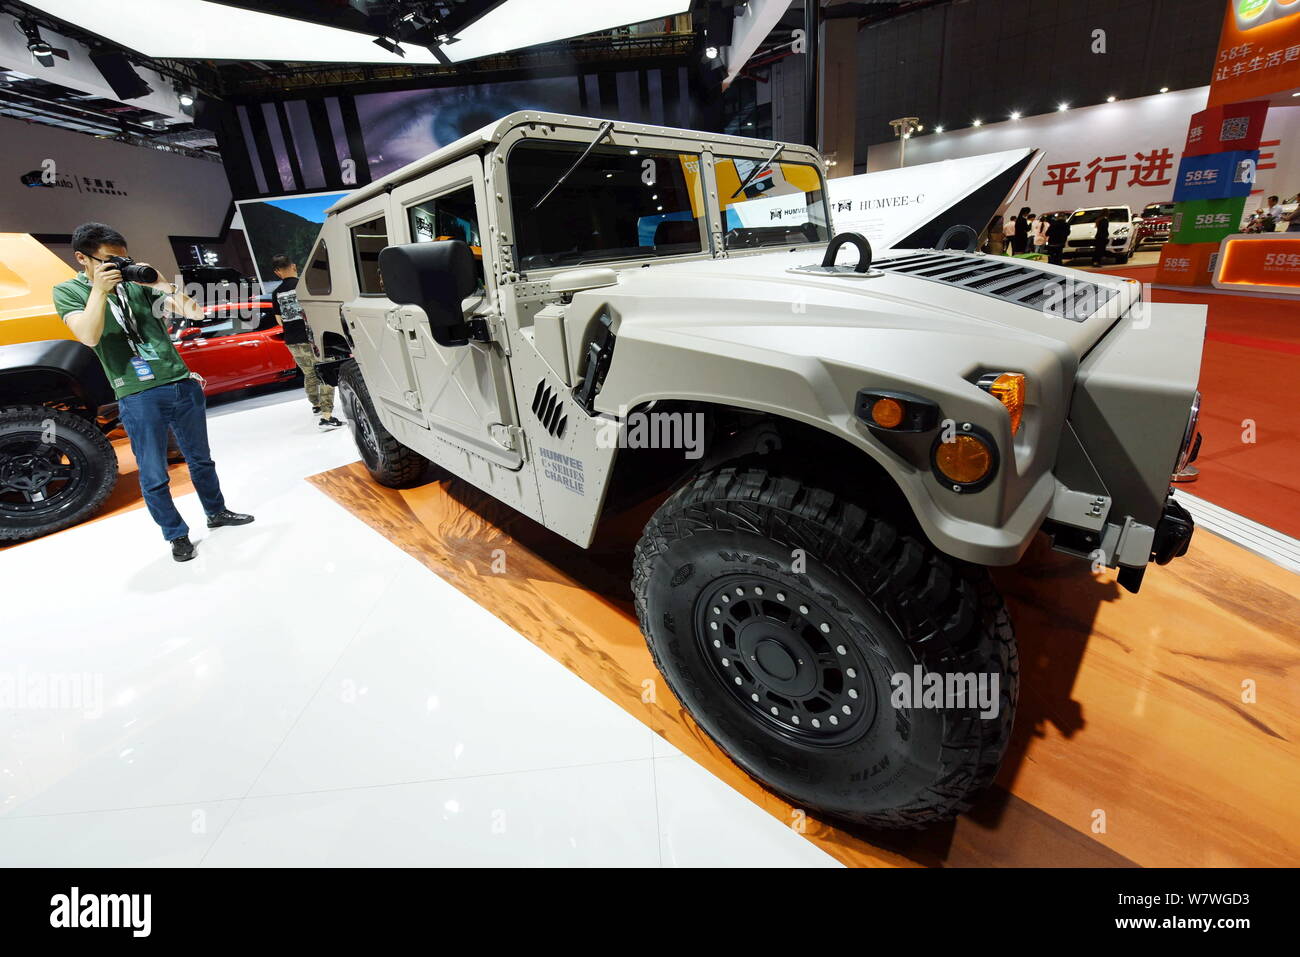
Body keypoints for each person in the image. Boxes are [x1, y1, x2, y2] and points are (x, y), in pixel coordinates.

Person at [52, 223, 254, 562]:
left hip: (180, 382)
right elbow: (88, 335)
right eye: (109, 261)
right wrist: (99, 292)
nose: (119, 266)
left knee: (200, 459)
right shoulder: (67, 291)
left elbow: (195, 312)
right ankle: (176, 535)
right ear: (82, 259)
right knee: (154, 470)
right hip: (137, 392)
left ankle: (216, 512)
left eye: (123, 259)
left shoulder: (138, 286)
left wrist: (161, 284)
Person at [270, 254, 341, 431]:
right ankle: (327, 416)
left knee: (309, 373)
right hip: (314, 337)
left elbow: (280, 321)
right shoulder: (306, 285)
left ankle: (316, 404)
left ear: (277, 272)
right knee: (325, 372)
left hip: (293, 340)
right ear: (294, 266)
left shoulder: (276, 293)